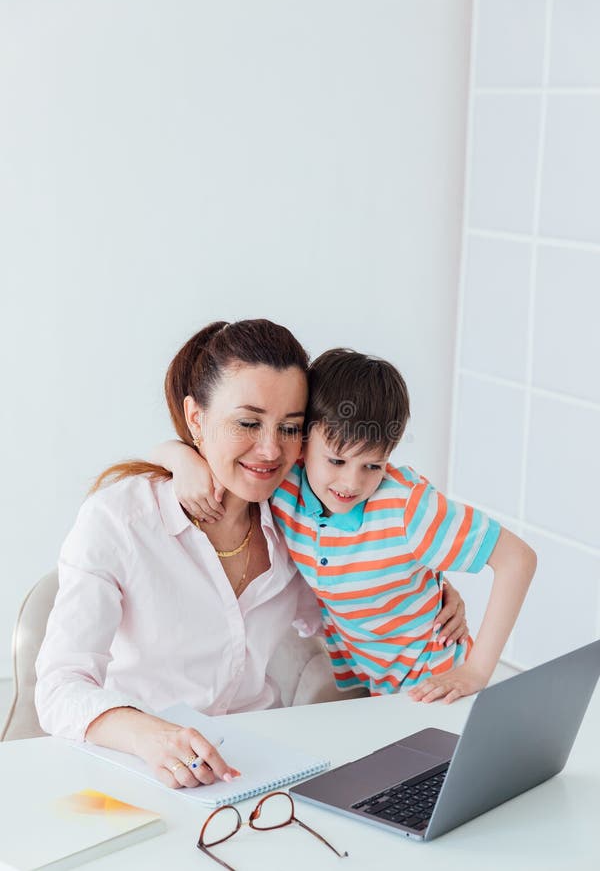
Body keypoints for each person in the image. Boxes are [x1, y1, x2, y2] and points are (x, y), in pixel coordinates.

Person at [35, 321, 469, 791]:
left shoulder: (301, 524)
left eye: (290, 428)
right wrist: (151, 735)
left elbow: (351, 606)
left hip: (263, 769)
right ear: (196, 419)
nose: (270, 450)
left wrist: (426, 596)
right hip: (139, 769)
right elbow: (59, 688)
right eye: (247, 422)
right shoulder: (121, 520)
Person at [156, 347, 536, 705]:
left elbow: (518, 559)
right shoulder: (286, 486)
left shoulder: (408, 508)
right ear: (302, 444)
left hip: (440, 683)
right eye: (336, 461)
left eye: (372, 465)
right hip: (373, 692)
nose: (351, 484)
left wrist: (477, 671)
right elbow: (219, 453)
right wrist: (180, 458)